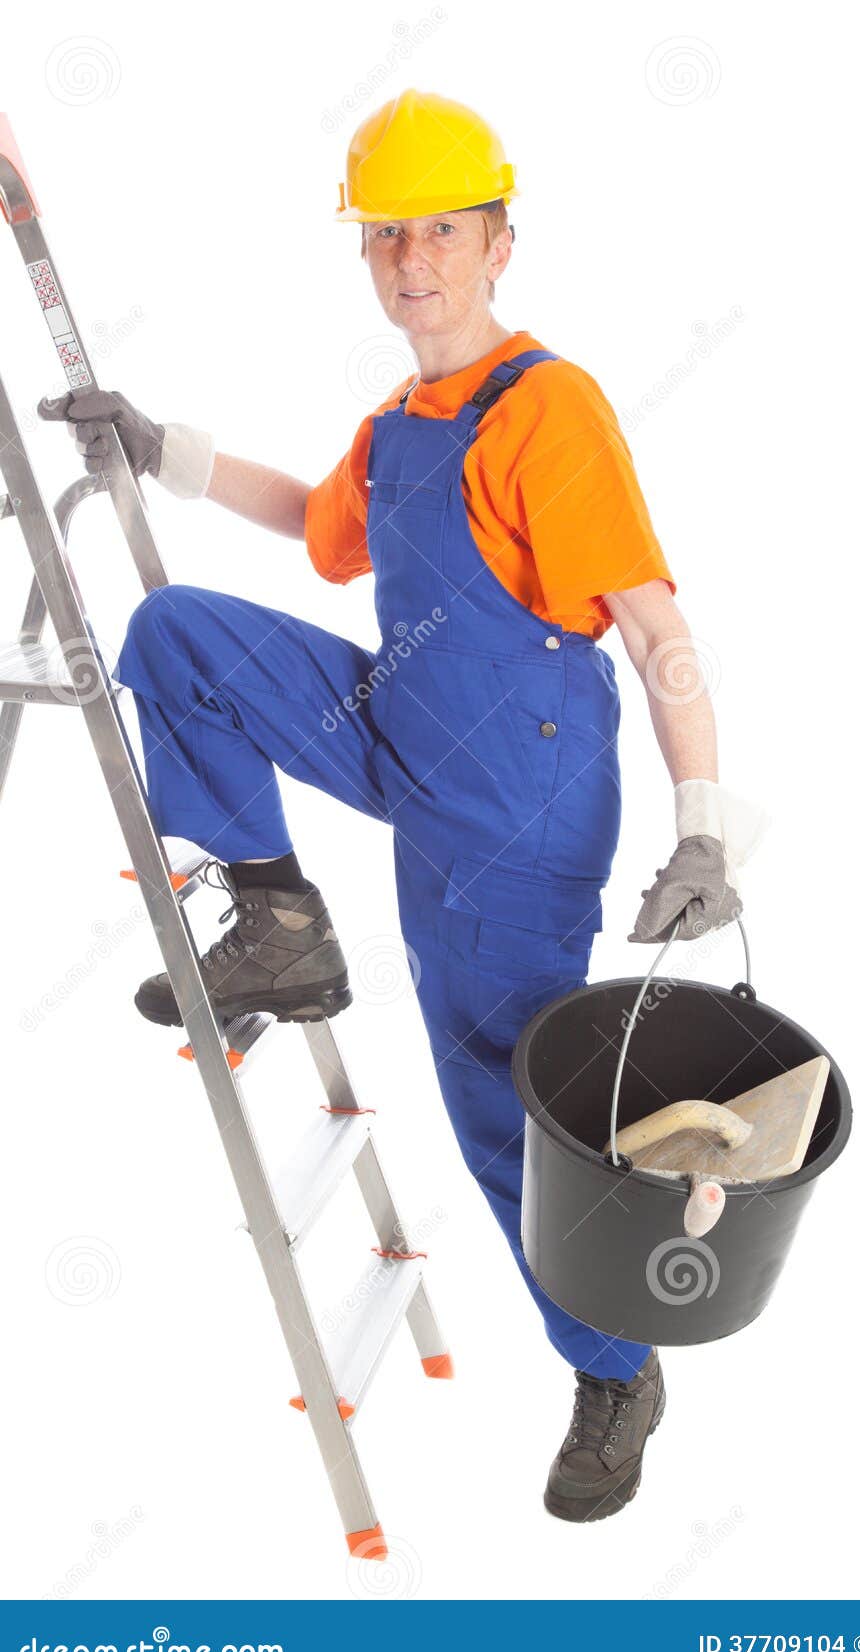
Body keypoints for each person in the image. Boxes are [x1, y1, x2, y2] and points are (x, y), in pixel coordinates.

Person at [41, 89, 766, 1524]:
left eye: (441, 229)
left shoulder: (548, 408)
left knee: (505, 1113)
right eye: (387, 235)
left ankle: (615, 1367)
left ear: (500, 243)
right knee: (179, 636)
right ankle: (281, 918)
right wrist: (159, 443)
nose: (412, 258)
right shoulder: (396, 427)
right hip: (403, 731)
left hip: (515, 810)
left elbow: (653, 621)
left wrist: (703, 821)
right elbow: (314, 521)